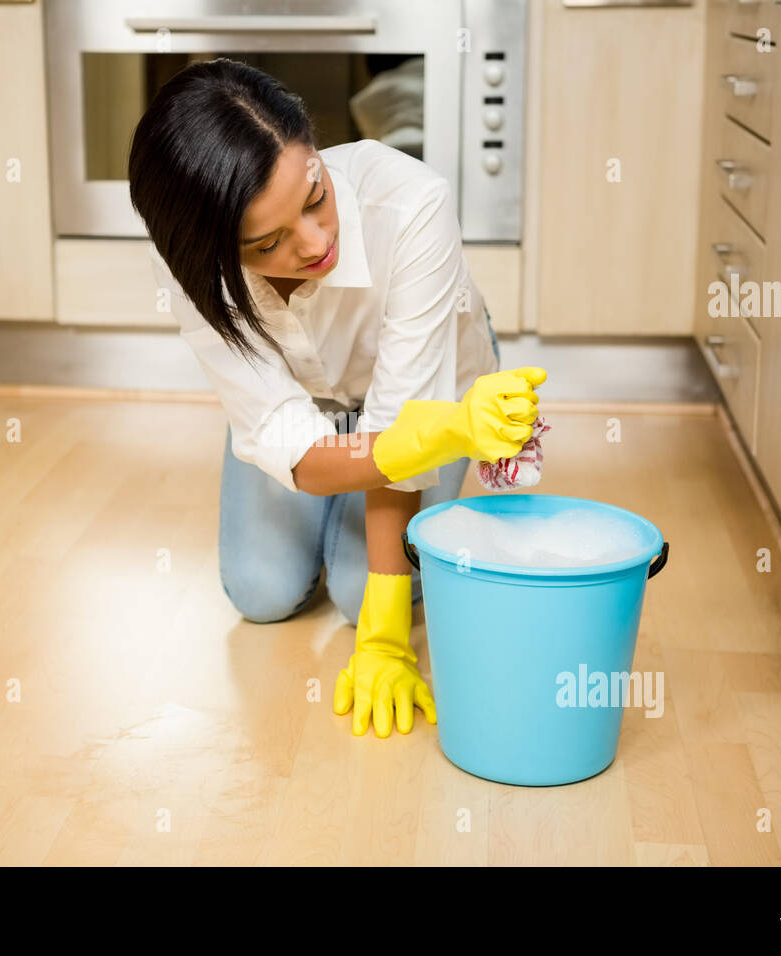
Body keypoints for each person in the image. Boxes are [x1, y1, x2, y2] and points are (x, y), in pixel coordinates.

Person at [128, 58, 546, 739]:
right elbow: (281, 430)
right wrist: (340, 454)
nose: (317, 243)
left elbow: (406, 425)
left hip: (425, 398)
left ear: (314, 149)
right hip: (307, 406)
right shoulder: (189, 265)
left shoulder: (411, 205)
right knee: (260, 593)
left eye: (315, 196)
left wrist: (383, 636)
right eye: (269, 243)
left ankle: (343, 519)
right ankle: (331, 498)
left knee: (360, 593)